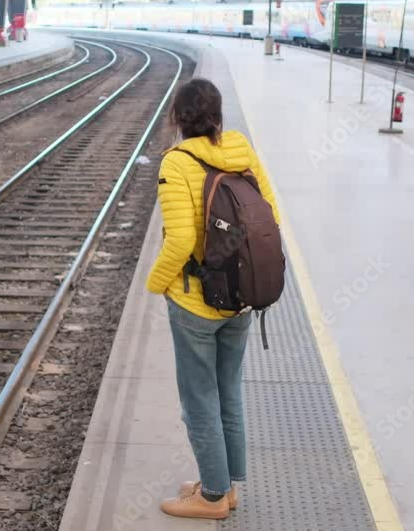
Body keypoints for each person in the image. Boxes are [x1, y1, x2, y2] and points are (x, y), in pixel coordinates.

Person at [146, 78, 280, 520]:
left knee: (199, 398)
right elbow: (270, 218)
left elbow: (181, 239)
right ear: (218, 116)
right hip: (240, 297)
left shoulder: (176, 163)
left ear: (176, 118)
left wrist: (157, 283)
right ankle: (224, 485)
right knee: (228, 392)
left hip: (196, 305)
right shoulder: (241, 151)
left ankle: (212, 498)